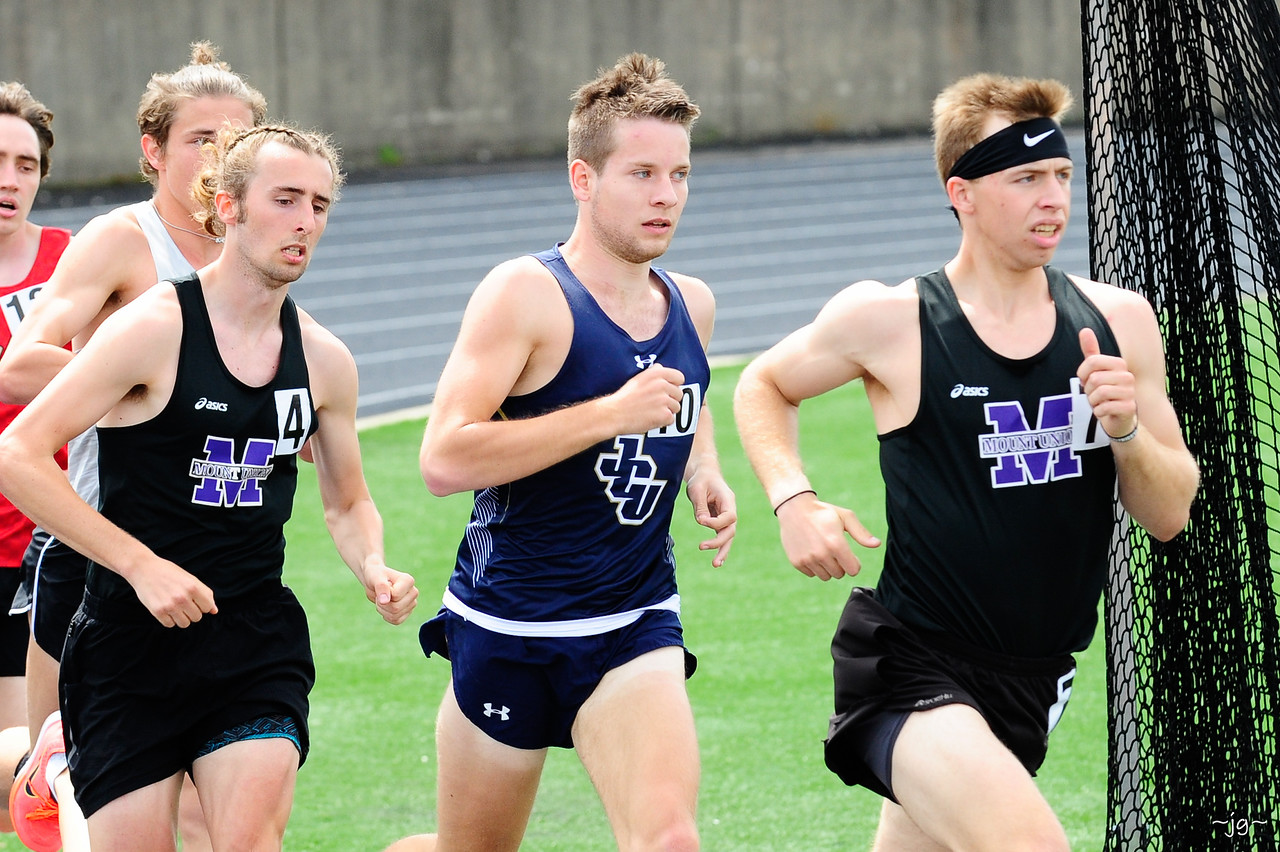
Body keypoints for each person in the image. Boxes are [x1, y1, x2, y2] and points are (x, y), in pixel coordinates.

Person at [733, 72, 1199, 851]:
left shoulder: (1119, 321)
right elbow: (763, 383)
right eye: (1025, 179)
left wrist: (1124, 430)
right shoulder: (892, 319)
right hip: (909, 666)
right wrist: (793, 498)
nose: (1053, 197)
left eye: (1060, 175)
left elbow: (1169, 513)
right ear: (964, 193)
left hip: (1032, 679)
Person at [0, 121, 420, 852]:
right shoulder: (152, 327)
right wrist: (140, 565)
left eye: (319, 205)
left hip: (251, 638)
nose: (304, 222)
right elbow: (18, 451)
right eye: (285, 199)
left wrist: (373, 563)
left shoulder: (324, 359)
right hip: (126, 642)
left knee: (249, 838)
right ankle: (50, 758)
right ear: (226, 206)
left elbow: (348, 500)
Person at [384, 53, 736, 852]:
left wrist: (703, 468)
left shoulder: (692, 303)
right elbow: (443, 459)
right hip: (510, 626)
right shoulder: (525, 295)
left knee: (670, 840)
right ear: (583, 178)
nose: (666, 196)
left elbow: (689, 396)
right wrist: (607, 415)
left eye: (679, 174)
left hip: (634, 620)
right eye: (642, 173)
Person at [0, 41, 267, 852]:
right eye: (201, 140)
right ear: (153, 151)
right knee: (79, 784)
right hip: (97, 552)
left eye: (240, 142)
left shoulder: (256, 248)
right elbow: (20, 365)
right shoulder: (124, 240)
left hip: (220, 555)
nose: (223, 159)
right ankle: (37, 759)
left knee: (215, 804)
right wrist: (141, 380)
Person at [0, 80, 71, 840]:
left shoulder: (73, 264)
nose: (10, 180)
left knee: (31, 768)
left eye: (26, 165)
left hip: (38, 549)